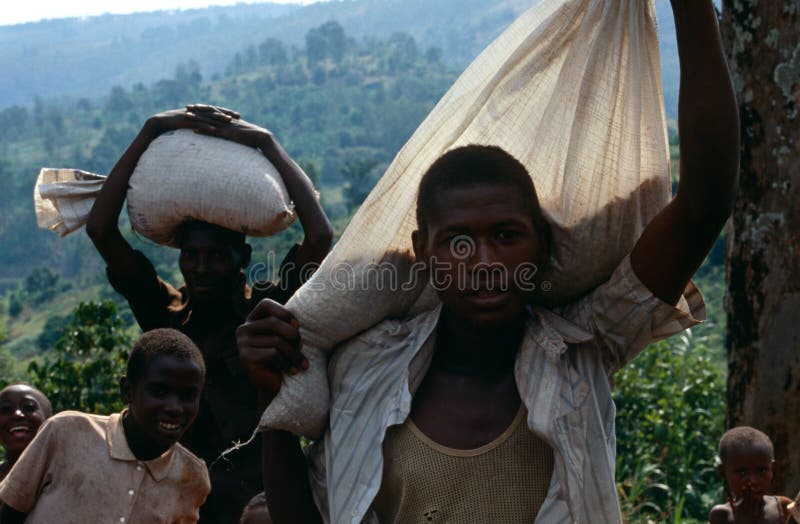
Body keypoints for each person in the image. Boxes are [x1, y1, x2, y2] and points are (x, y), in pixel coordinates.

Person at [237, 0, 737, 521]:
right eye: (457, 241)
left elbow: (704, 203)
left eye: (506, 235)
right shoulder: (364, 368)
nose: (484, 261)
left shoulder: (583, 348)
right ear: (423, 253)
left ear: (542, 247)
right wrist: (274, 404)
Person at [86, 105, 333, 523]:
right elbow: (101, 231)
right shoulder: (166, 315)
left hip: (270, 501)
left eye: (217, 256)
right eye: (191, 255)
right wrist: (152, 129)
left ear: (244, 256)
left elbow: (320, 235)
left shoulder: (267, 310)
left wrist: (265, 142)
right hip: (192, 505)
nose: (200, 268)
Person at [0, 329, 210, 523]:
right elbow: (9, 515)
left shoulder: (192, 479)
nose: (175, 408)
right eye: (159, 392)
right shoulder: (65, 433)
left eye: (188, 396)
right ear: (127, 390)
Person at [708, 427, 794, 524]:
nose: (753, 481)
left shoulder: (783, 507)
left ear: (772, 469)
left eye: (762, 470)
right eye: (742, 472)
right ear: (723, 472)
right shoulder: (721, 516)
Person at [0, 385, 52, 482]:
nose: (17, 414)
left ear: (49, 421)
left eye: (29, 407)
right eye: (5, 409)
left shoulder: (67, 475)